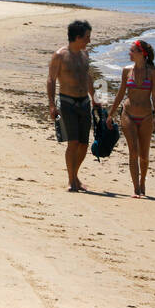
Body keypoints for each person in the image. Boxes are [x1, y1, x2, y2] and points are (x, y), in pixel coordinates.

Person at [106, 39, 155, 197]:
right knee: (133, 151)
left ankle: (142, 182)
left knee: (144, 156)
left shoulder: (153, 72)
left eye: (131, 51)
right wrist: (111, 113)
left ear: (141, 53)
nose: (129, 53)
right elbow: (121, 93)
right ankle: (136, 189)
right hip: (128, 114)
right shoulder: (126, 70)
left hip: (146, 117)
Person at [47, 20, 97, 192]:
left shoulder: (85, 55)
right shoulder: (60, 56)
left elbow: (87, 77)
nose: (89, 41)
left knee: (84, 143)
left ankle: (75, 176)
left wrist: (94, 97)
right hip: (67, 103)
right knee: (73, 142)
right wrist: (52, 105)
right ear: (77, 37)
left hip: (84, 102)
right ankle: (71, 180)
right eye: (87, 37)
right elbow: (51, 80)